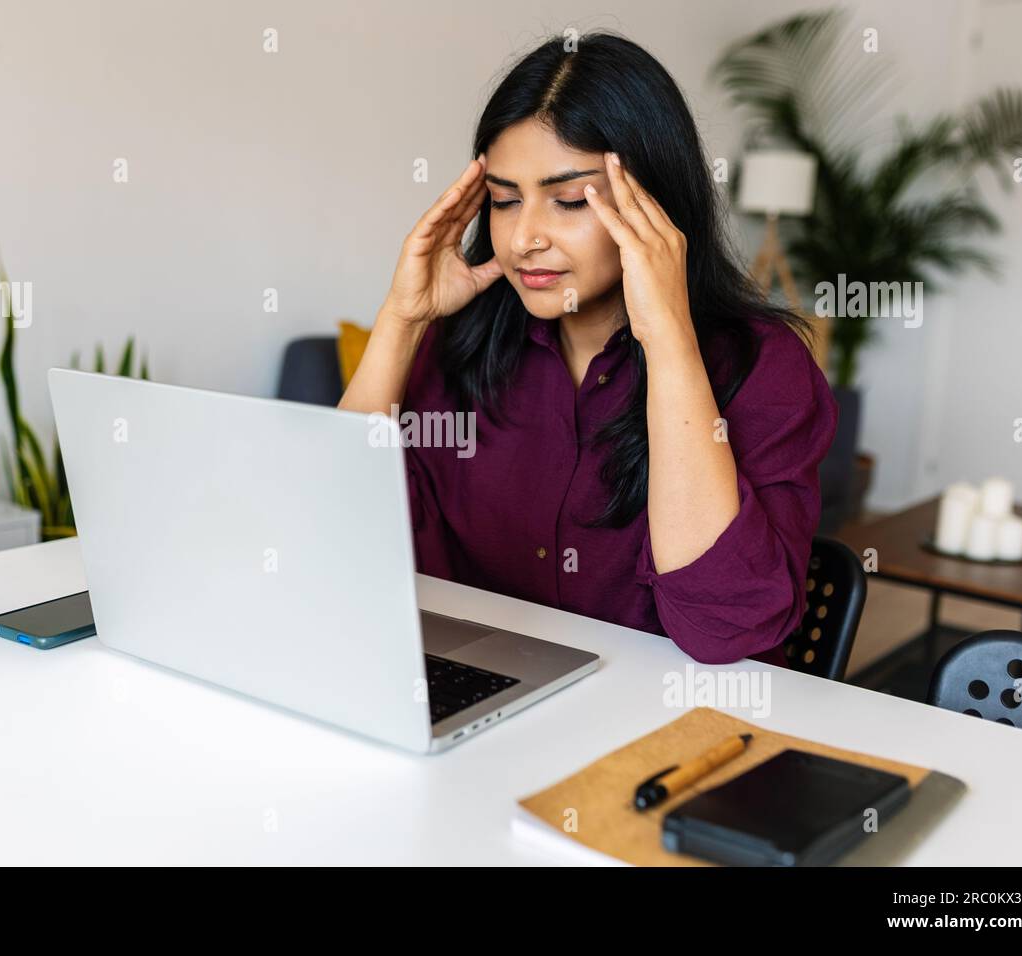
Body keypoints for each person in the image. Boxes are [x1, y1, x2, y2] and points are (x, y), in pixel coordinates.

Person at [339, 31, 837, 666]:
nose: (523, 239)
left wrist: (669, 341)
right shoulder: (461, 345)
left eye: (570, 200)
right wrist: (401, 321)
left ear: (653, 203)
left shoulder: (761, 368)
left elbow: (725, 629)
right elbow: (343, 544)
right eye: (504, 201)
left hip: (661, 732)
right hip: (473, 704)